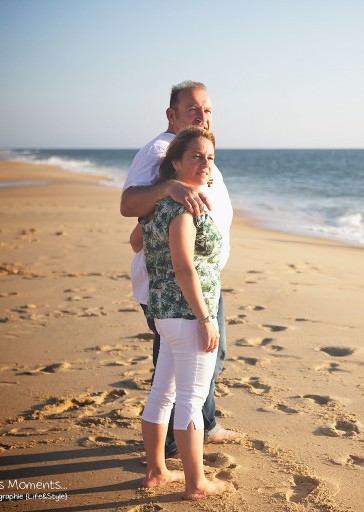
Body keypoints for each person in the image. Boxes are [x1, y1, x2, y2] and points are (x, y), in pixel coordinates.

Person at [121, 81, 242, 458]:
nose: (201, 115)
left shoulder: (197, 152)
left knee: (194, 368)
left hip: (199, 282)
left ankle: (204, 428)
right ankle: (179, 447)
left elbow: (137, 232)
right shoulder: (162, 151)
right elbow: (129, 204)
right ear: (171, 114)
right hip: (183, 290)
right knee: (180, 375)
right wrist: (169, 188)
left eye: (206, 109)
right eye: (192, 108)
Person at [139, 127, 233, 500]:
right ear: (175, 162)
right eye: (196, 156)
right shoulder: (182, 206)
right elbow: (185, 269)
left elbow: (137, 240)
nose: (205, 163)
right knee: (191, 400)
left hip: (167, 313)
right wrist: (206, 318)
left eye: (210, 157)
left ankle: (157, 471)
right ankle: (197, 483)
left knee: (162, 392)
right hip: (187, 314)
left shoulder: (159, 205)